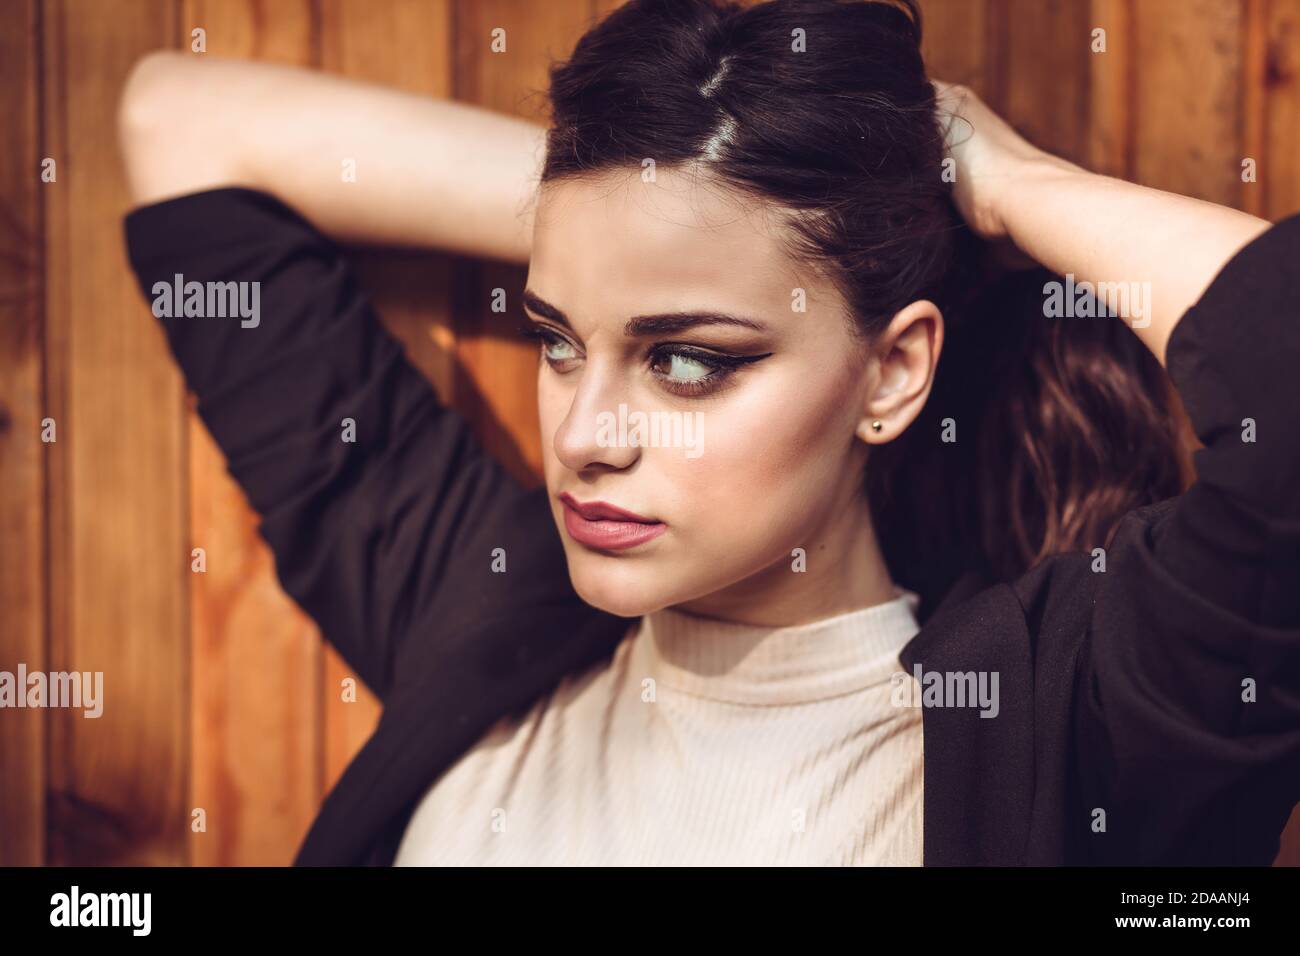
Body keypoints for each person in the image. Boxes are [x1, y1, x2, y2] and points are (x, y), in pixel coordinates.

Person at [117, 0, 1299, 865]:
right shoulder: (480, 615)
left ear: (892, 370)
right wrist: (671, 198)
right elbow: (181, 121)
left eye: (686, 359)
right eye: (561, 339)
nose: (584, 434)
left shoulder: (1057, 729)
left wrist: (998, 185)